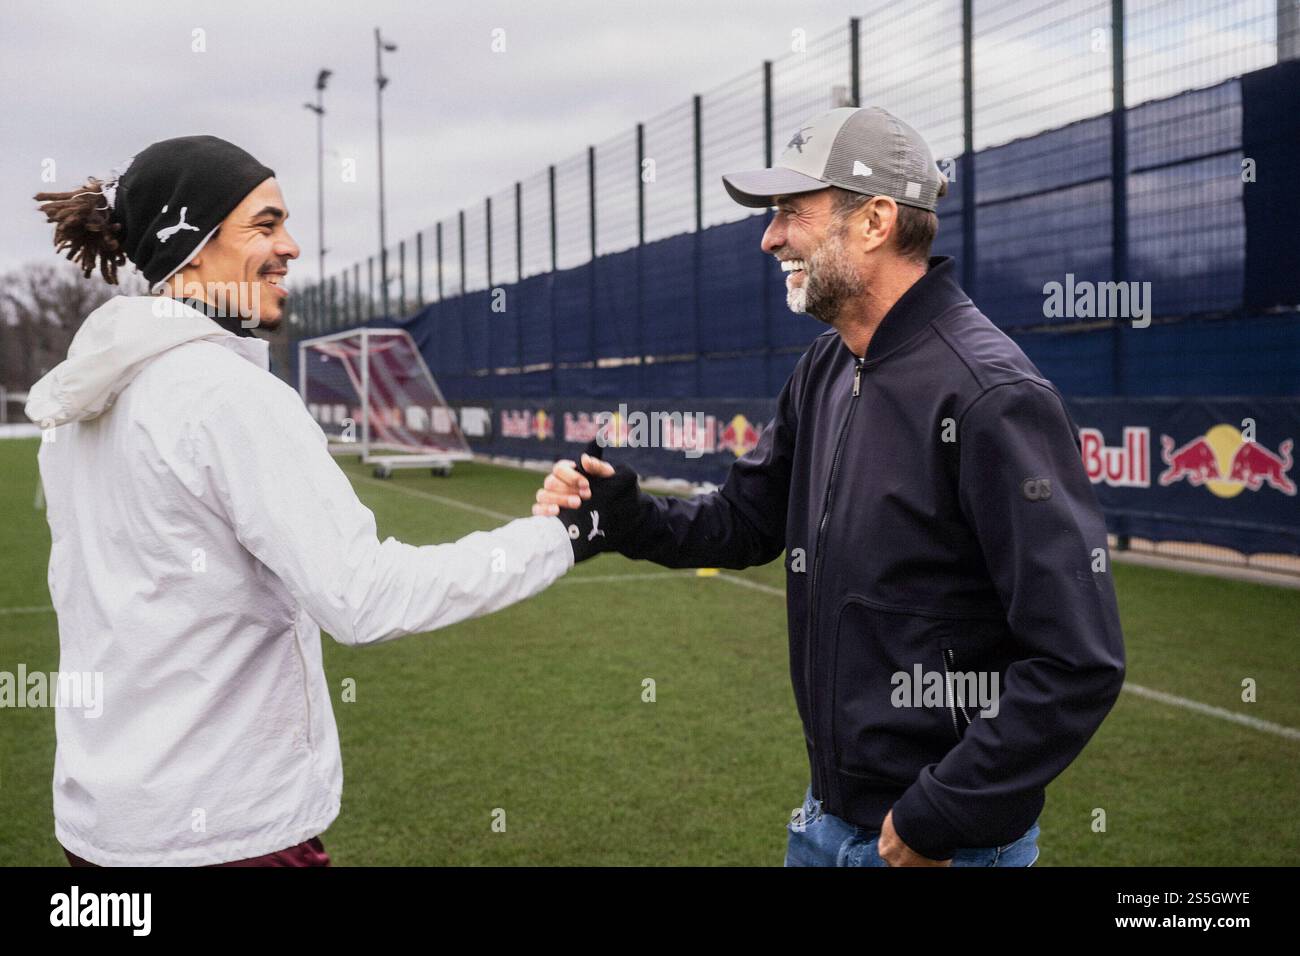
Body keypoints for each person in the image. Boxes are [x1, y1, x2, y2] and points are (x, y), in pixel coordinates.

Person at [534, 107, 1127, 867]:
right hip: (824, 822)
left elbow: (1078, 661)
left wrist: (943, 810)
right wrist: (627, 518)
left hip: (938, 847)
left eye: (790, 213)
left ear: (876, 220)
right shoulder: (825, 366)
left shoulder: (989, 394)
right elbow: (746, 522)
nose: (770, 238)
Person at [27, 135, 580, 867]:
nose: (290, 247)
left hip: (102, 831)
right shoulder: (226, 394)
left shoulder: (83, 405)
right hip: (224, 834)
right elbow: (367, 598)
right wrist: (557, 537)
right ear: (189, 244)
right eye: (264, 223)